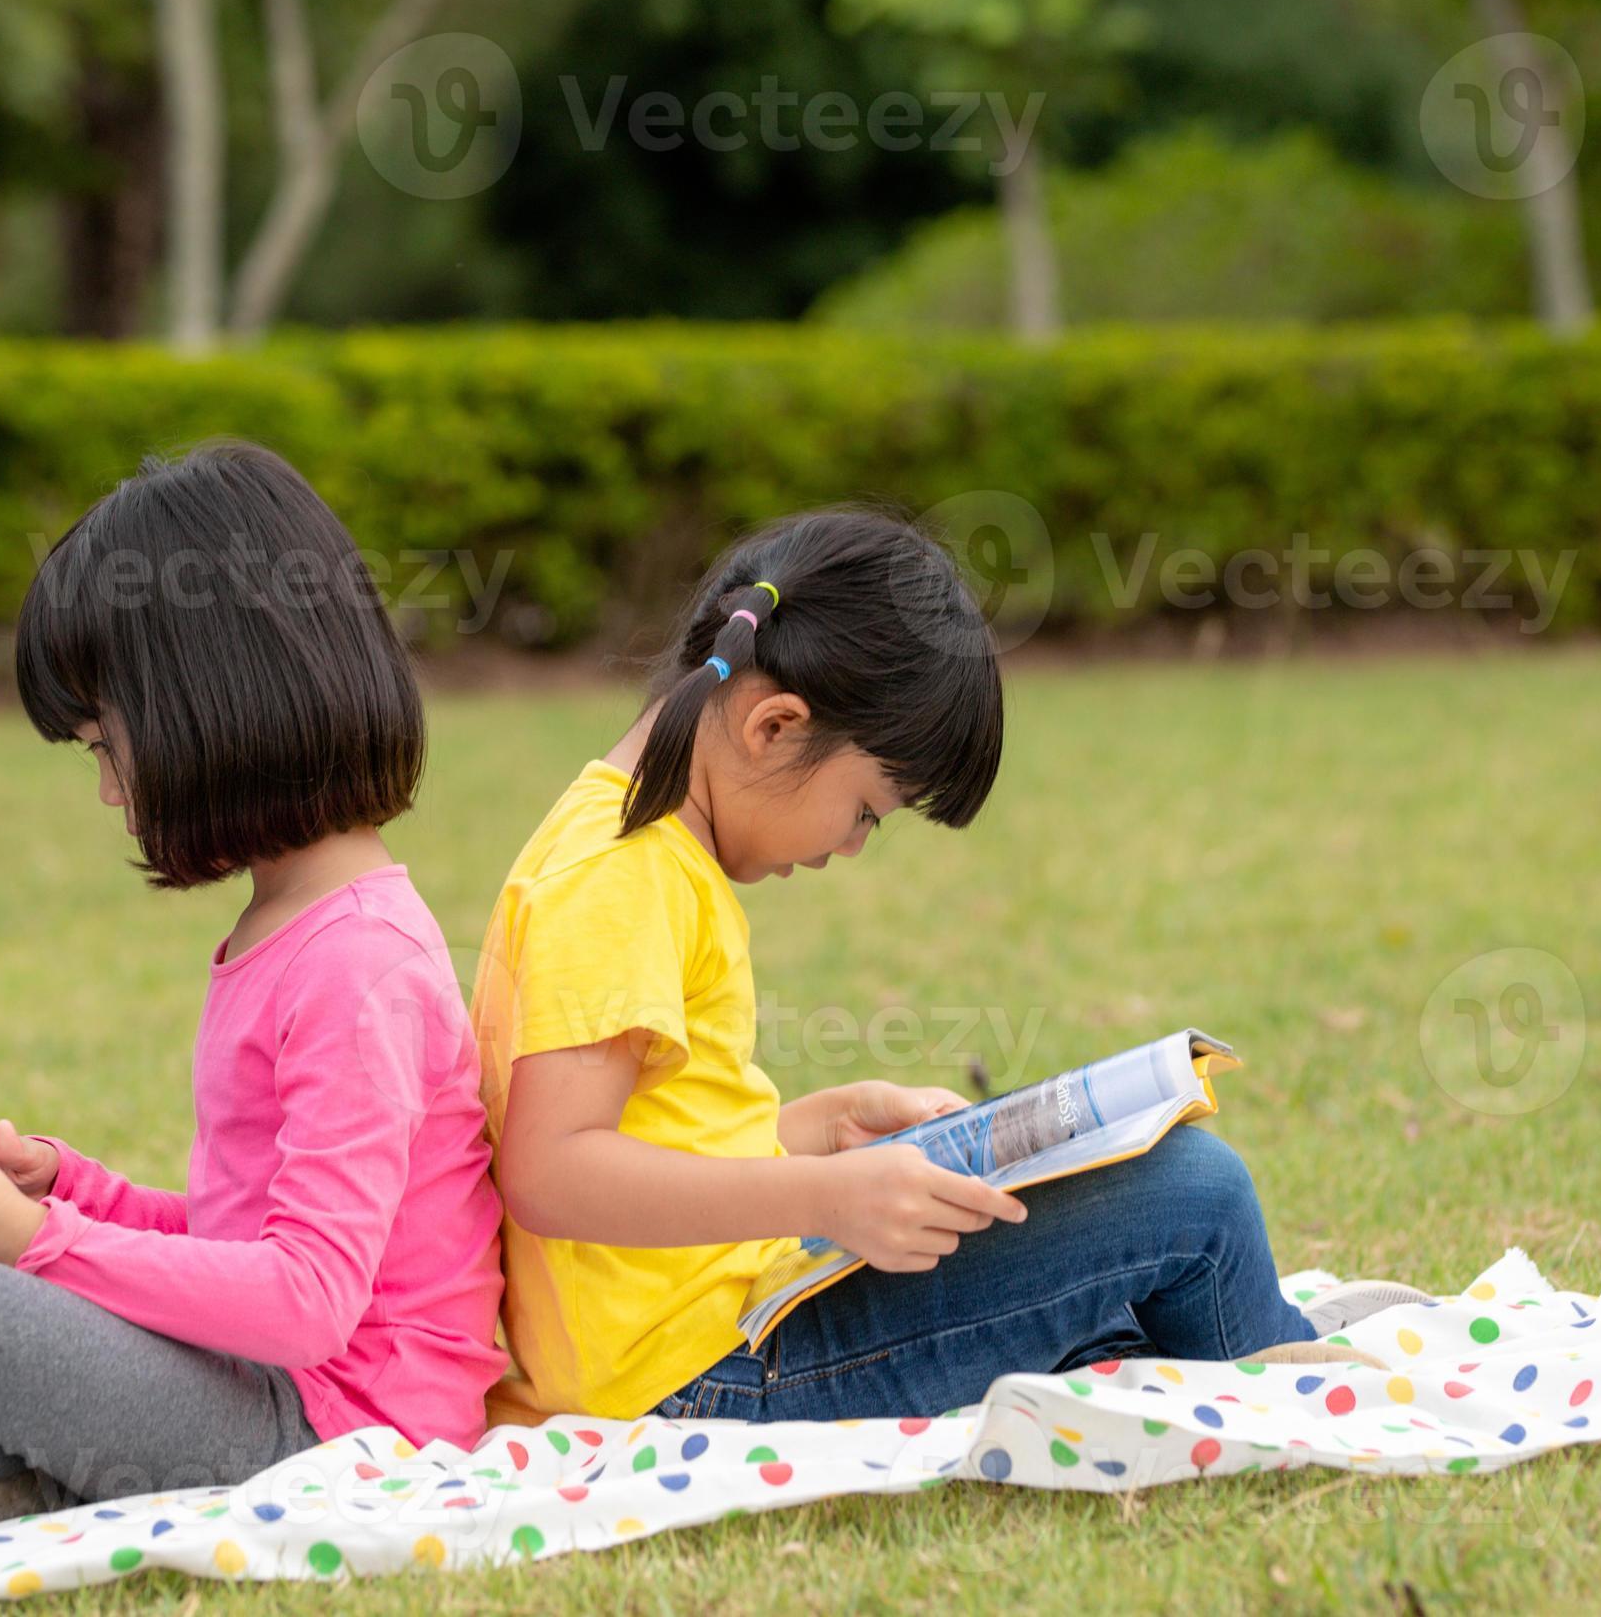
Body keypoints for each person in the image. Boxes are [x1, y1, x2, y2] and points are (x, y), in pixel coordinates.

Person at [473, 508, 1417, 1428]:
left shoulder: (631, 844)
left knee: (1089, 1225)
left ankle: (1215, 1341)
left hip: (716, 1325)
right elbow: (553, 1172)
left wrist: (822, 1127)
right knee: (1193, 1192)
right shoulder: (619, 875)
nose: (852, 846)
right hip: (702, 1379)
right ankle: (1267, 1356)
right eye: (869, 810)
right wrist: (823, 1196)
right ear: (775, 727)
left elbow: (654, 1133)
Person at [0, 442, 504, 1537]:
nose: (109, 790)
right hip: (250, 1374)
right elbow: (237, 1234)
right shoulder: (289, 925)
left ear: (217, 700)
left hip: (325, 1429)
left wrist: (28, 1243)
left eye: (109, 745)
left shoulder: (361, 963)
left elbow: (306, 1298)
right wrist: (70, 1190)